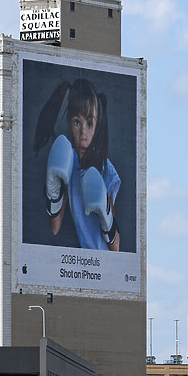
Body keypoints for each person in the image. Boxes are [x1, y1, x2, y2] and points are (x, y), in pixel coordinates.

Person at [33, 78, 121, 251]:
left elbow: (116, 246)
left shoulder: (106, 170)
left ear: (96, 127)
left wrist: (106, 215)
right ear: (68, 122)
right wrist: (53, 191)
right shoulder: (68, 160)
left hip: (105, 265)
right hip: (81, 265)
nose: (83, 134)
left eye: (89, 124)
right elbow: (55, 227)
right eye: (77, 122)